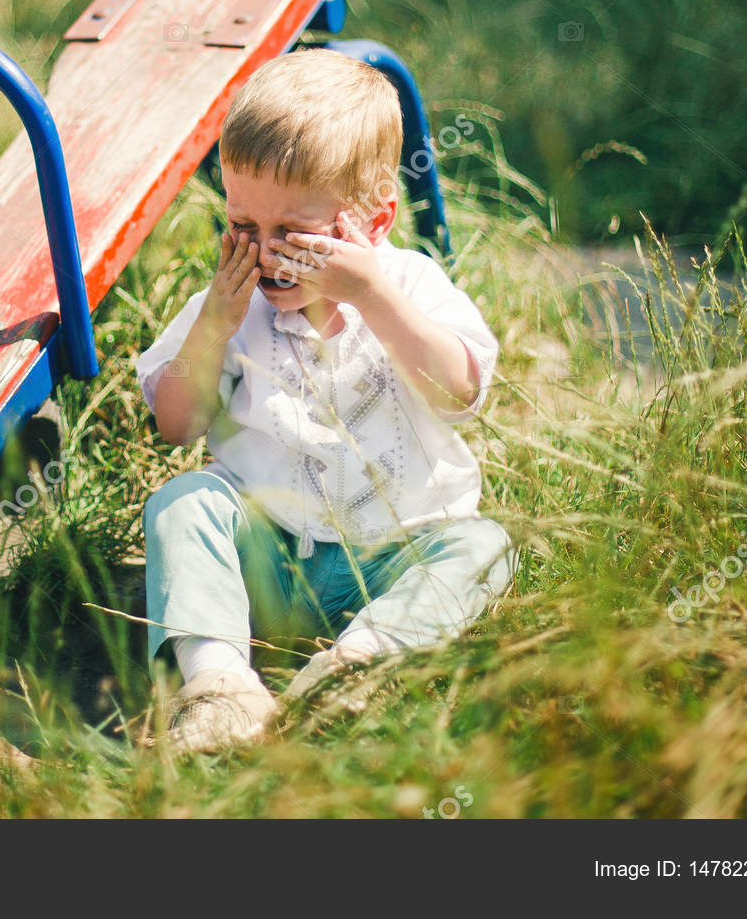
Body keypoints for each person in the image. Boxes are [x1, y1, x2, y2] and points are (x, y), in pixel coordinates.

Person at [135, 48, 514, 753]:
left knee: (485, 547)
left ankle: (356, 667)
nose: (269, 253)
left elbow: (460, 391)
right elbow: (175, 426)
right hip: (270, 560)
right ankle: (220, 687)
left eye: (296, 233)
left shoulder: (409, 287)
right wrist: (214, 324)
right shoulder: (229, 305)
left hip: (397, 550)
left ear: (373, 224)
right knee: (183, 500)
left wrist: (371, 293)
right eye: (244, 225)